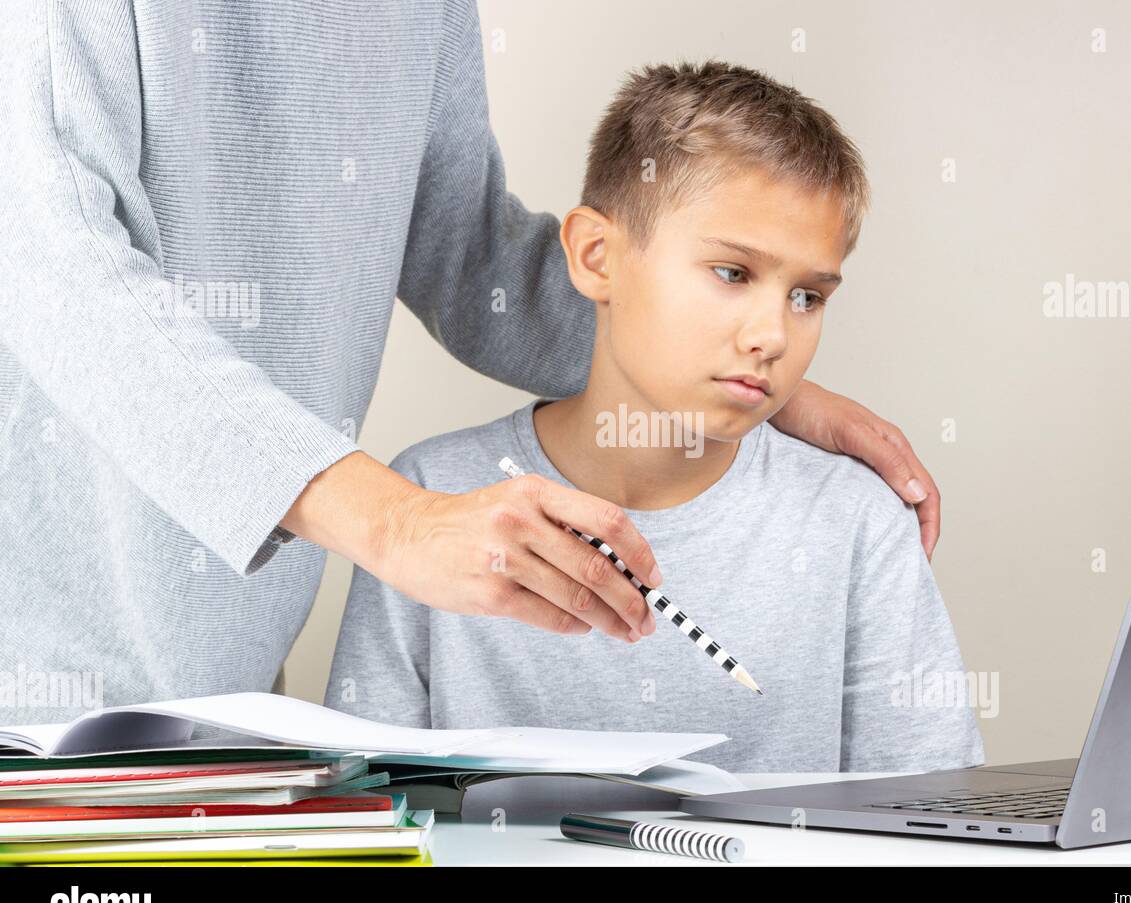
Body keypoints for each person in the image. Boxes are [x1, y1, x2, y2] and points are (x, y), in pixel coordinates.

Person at [0, 1, 938, 726]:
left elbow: (462, 248)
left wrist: (741, 379)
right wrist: (396, 522)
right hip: (35, 680)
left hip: (224, 684)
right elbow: (49, 263)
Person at [325, 61, 983, 773]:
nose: (773, 336)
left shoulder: (856, 522)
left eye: (808, 297)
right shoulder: (432, 495)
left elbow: (933, 814)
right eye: (733, 274)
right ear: (595, 256)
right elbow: (363, 814)